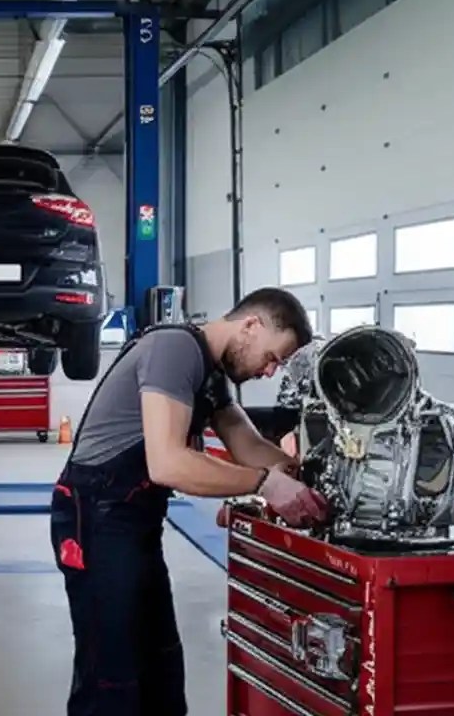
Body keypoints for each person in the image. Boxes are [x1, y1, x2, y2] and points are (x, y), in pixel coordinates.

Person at [49, 286, 329, 716]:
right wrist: (265, 485)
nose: (270, 372)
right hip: (96, 521)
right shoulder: (174, 348)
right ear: (251, 326)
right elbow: (168, 463)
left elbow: (248, 446)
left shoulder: (212, 372)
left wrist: (312, 481)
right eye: (272, 357)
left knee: (159, 667)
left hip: (135, 525)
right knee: (112, 674)